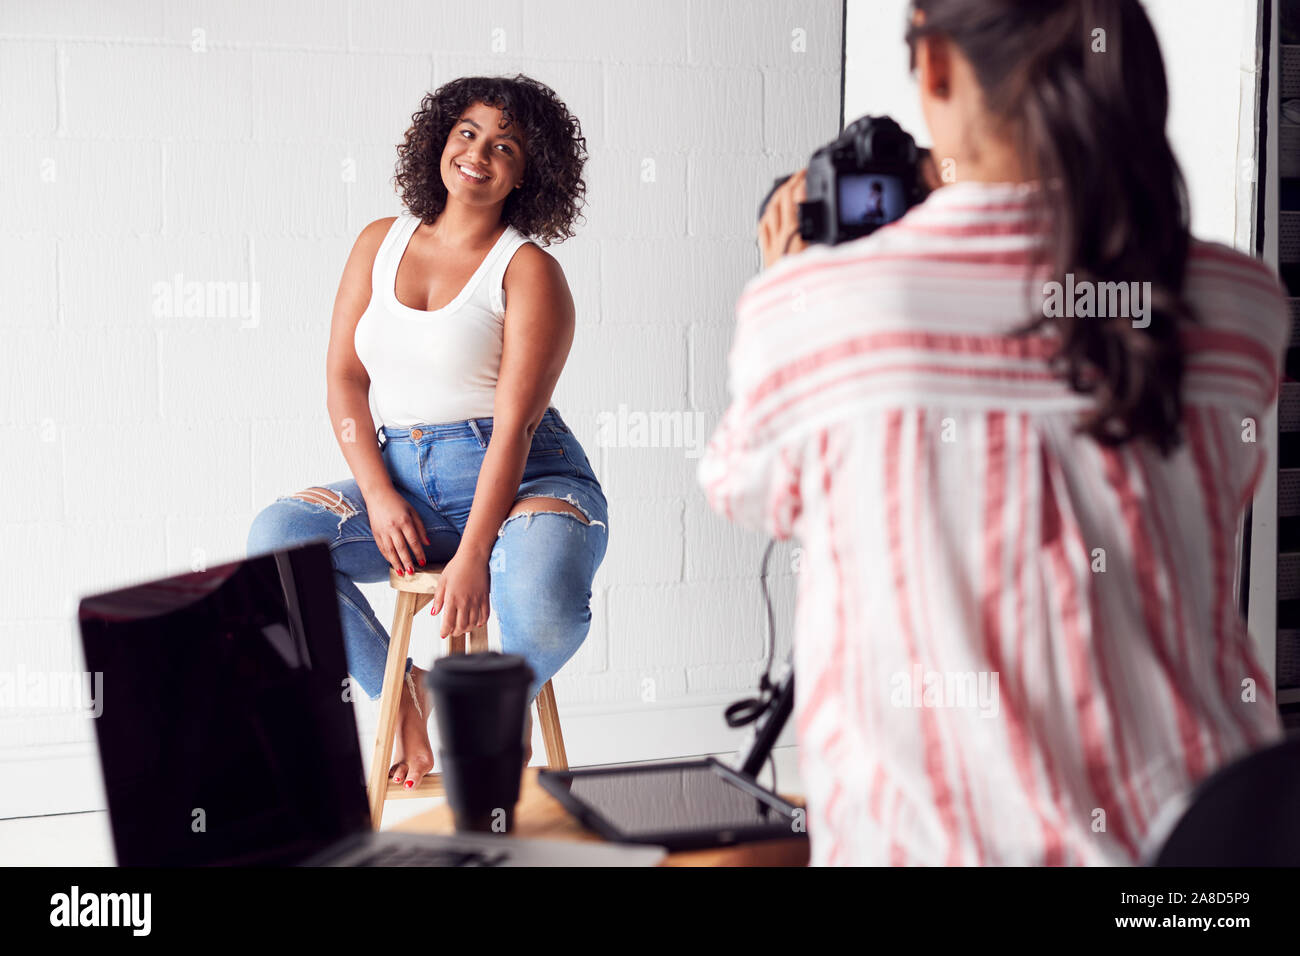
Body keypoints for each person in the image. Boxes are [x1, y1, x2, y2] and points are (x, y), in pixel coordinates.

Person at [698, 0, 1289, 865]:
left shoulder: (809, 311)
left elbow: (747, 490)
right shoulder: (1245, 302)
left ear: (935, 66)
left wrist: (790, 281)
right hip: (1216, 854)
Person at [248, 75, 606, 788]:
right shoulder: (380, 243)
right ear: (441, 139)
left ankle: (502, 697)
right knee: (277, 543)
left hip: (526, 480)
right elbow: (345, 381)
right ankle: (402, 690)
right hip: (405, 479)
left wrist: (475, 554)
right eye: (468, 132)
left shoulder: (530, 271)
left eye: (505, 146)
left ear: (529, 173)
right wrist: (378, 495)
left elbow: (517, 425)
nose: (480, 153)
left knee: (539, 599)